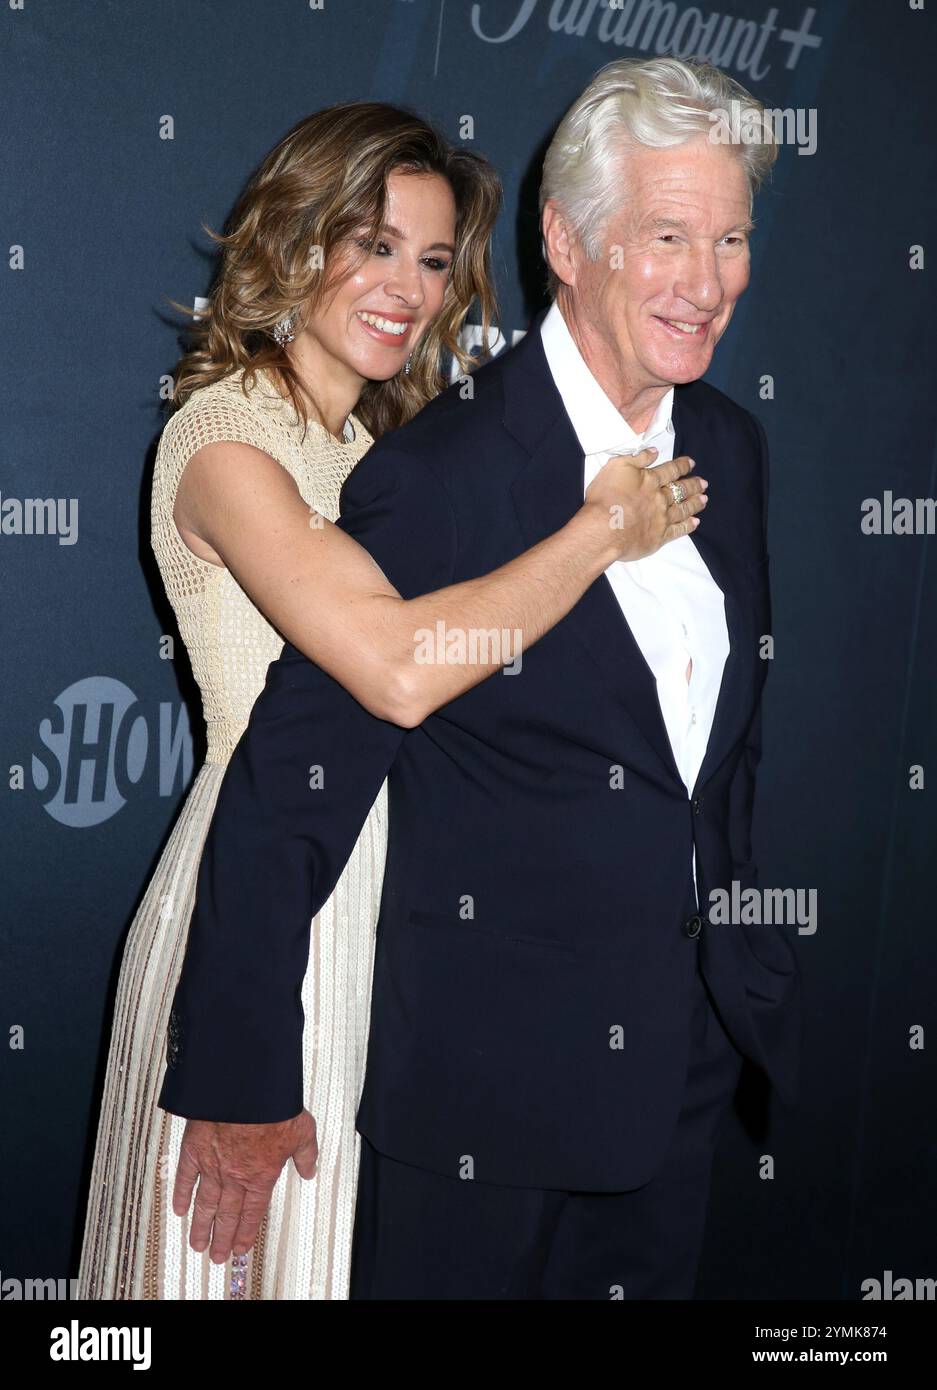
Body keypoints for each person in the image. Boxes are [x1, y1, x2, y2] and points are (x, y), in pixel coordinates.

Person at [156, 56, 803, 1301]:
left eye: (730, 236)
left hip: (681, 1074)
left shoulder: (731, 442)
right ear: (569, 240)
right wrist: (236, 1079)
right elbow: (293, 779)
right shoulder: (439, 474)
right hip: (482, 1111)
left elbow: (720, 752)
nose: (708, 279)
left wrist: (737, 979)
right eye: (668, 234)